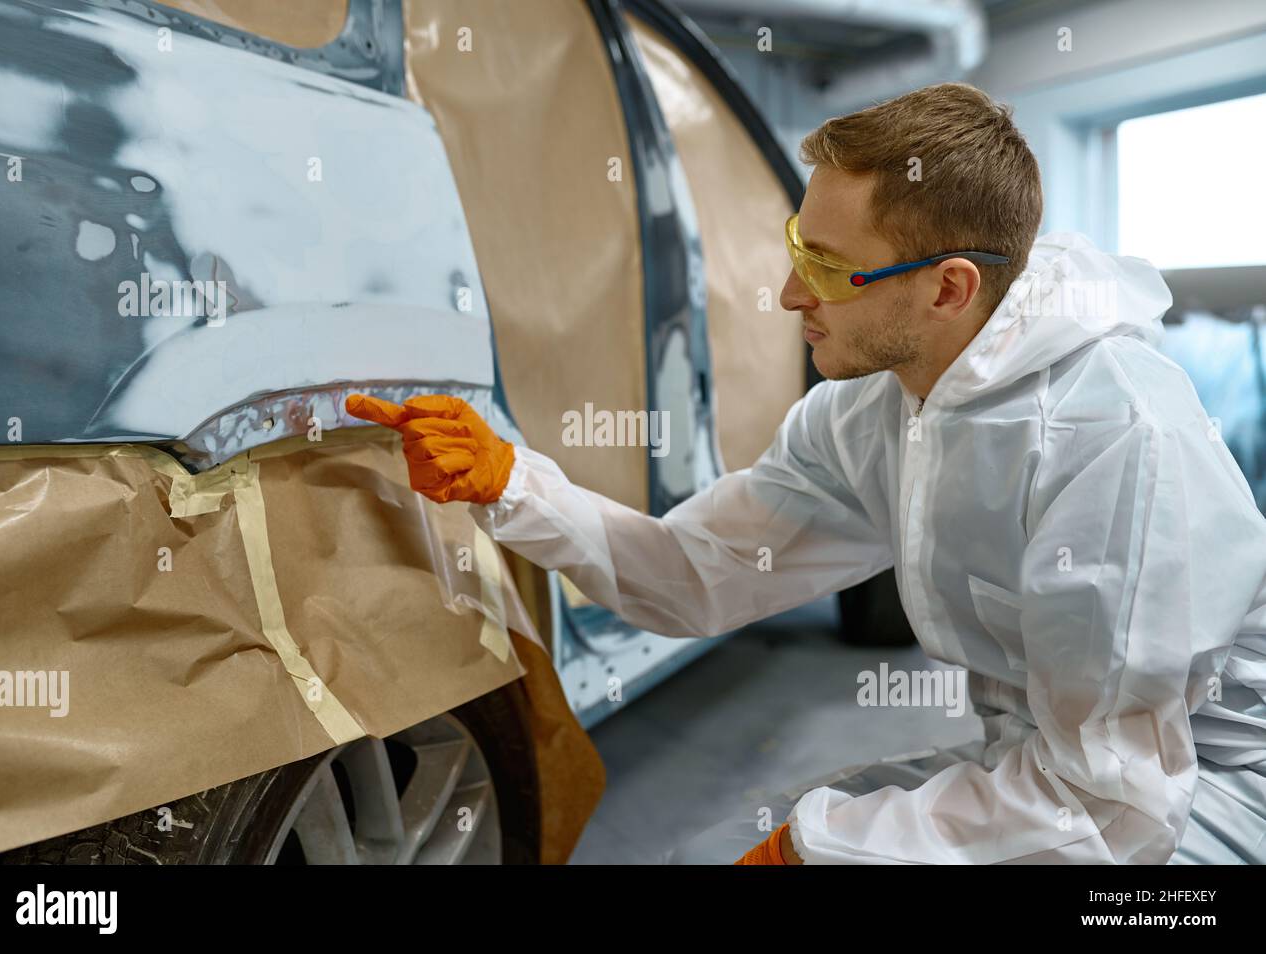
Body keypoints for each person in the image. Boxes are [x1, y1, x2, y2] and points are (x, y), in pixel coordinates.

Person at [348, 83, 1266, 864]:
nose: (789, 294)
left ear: (948, 288)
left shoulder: (1113, 441)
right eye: (797, 245)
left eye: (826, 267)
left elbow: (1119, 810)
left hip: (1201, 805)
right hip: (1046, 773)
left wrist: (808, 849)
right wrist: (511, 481)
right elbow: (698, 576)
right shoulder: (874, 409)